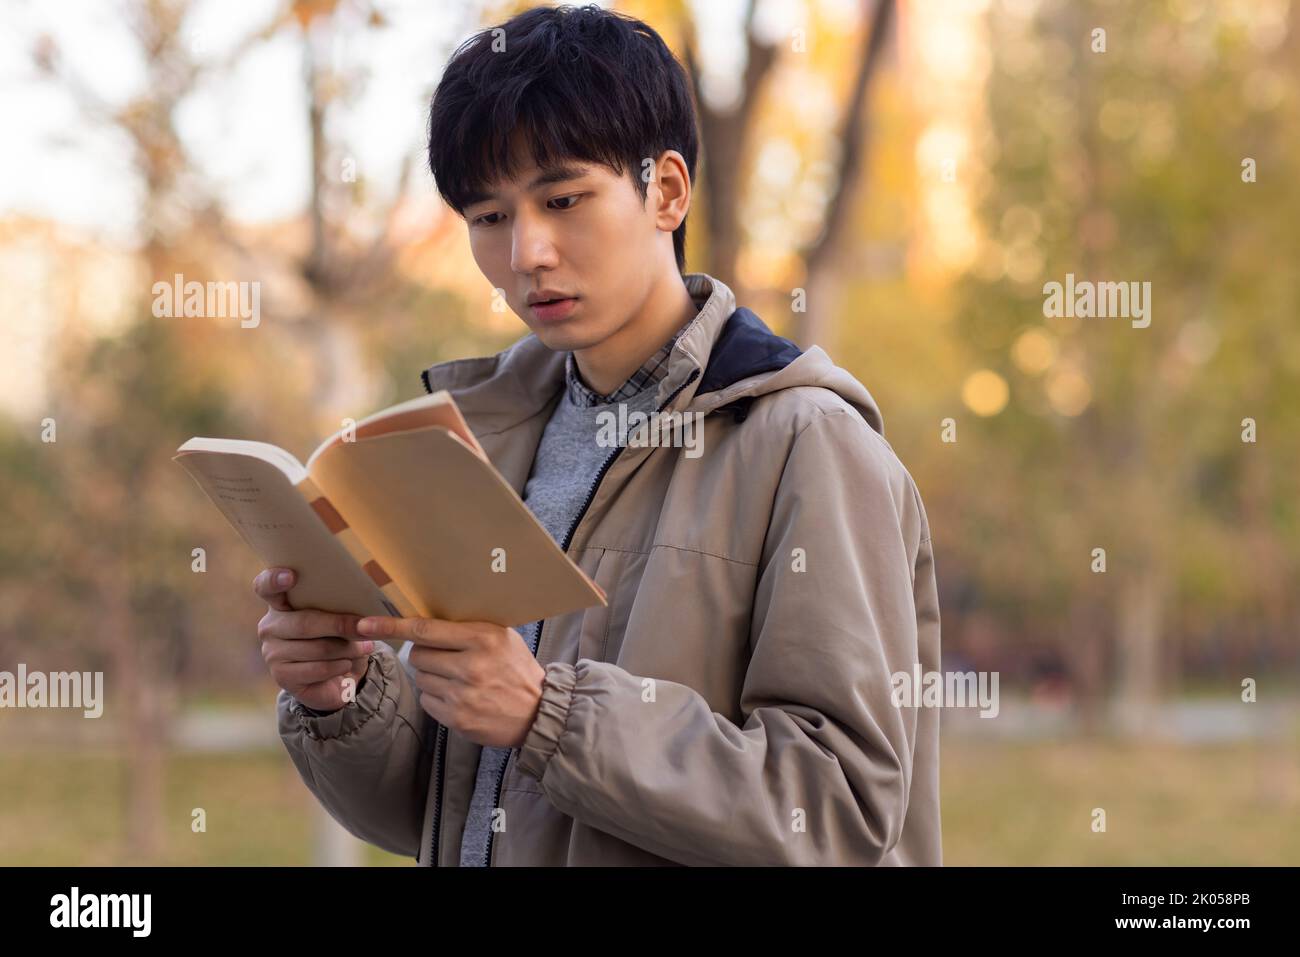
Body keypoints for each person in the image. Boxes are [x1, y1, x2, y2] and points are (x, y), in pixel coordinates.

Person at [255, 3, 941, 866]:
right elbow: (449, 807)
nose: (527, 252)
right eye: (489, 217)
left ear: (666, 190)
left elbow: (837, 813)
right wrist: (341, 695)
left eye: (564, 198)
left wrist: (548, 713)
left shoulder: (808, 445)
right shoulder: (483, 445)